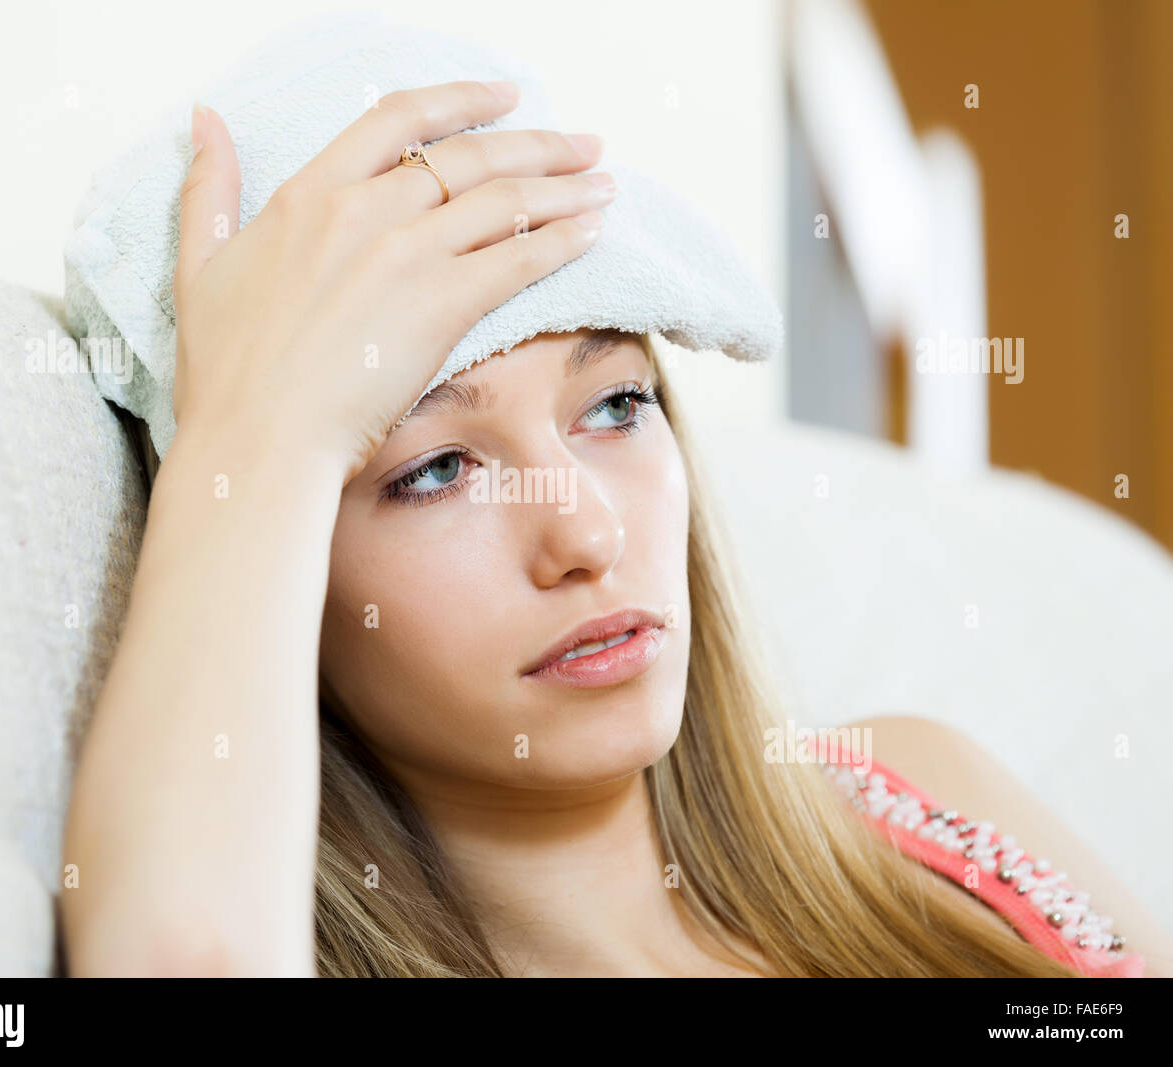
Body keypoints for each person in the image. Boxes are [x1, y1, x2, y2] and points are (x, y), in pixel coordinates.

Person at [58, 80, 1171, 978]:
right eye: (436, 468)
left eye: (613, 406)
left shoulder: (918, 781)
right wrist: (258, 436)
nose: (585, 533)